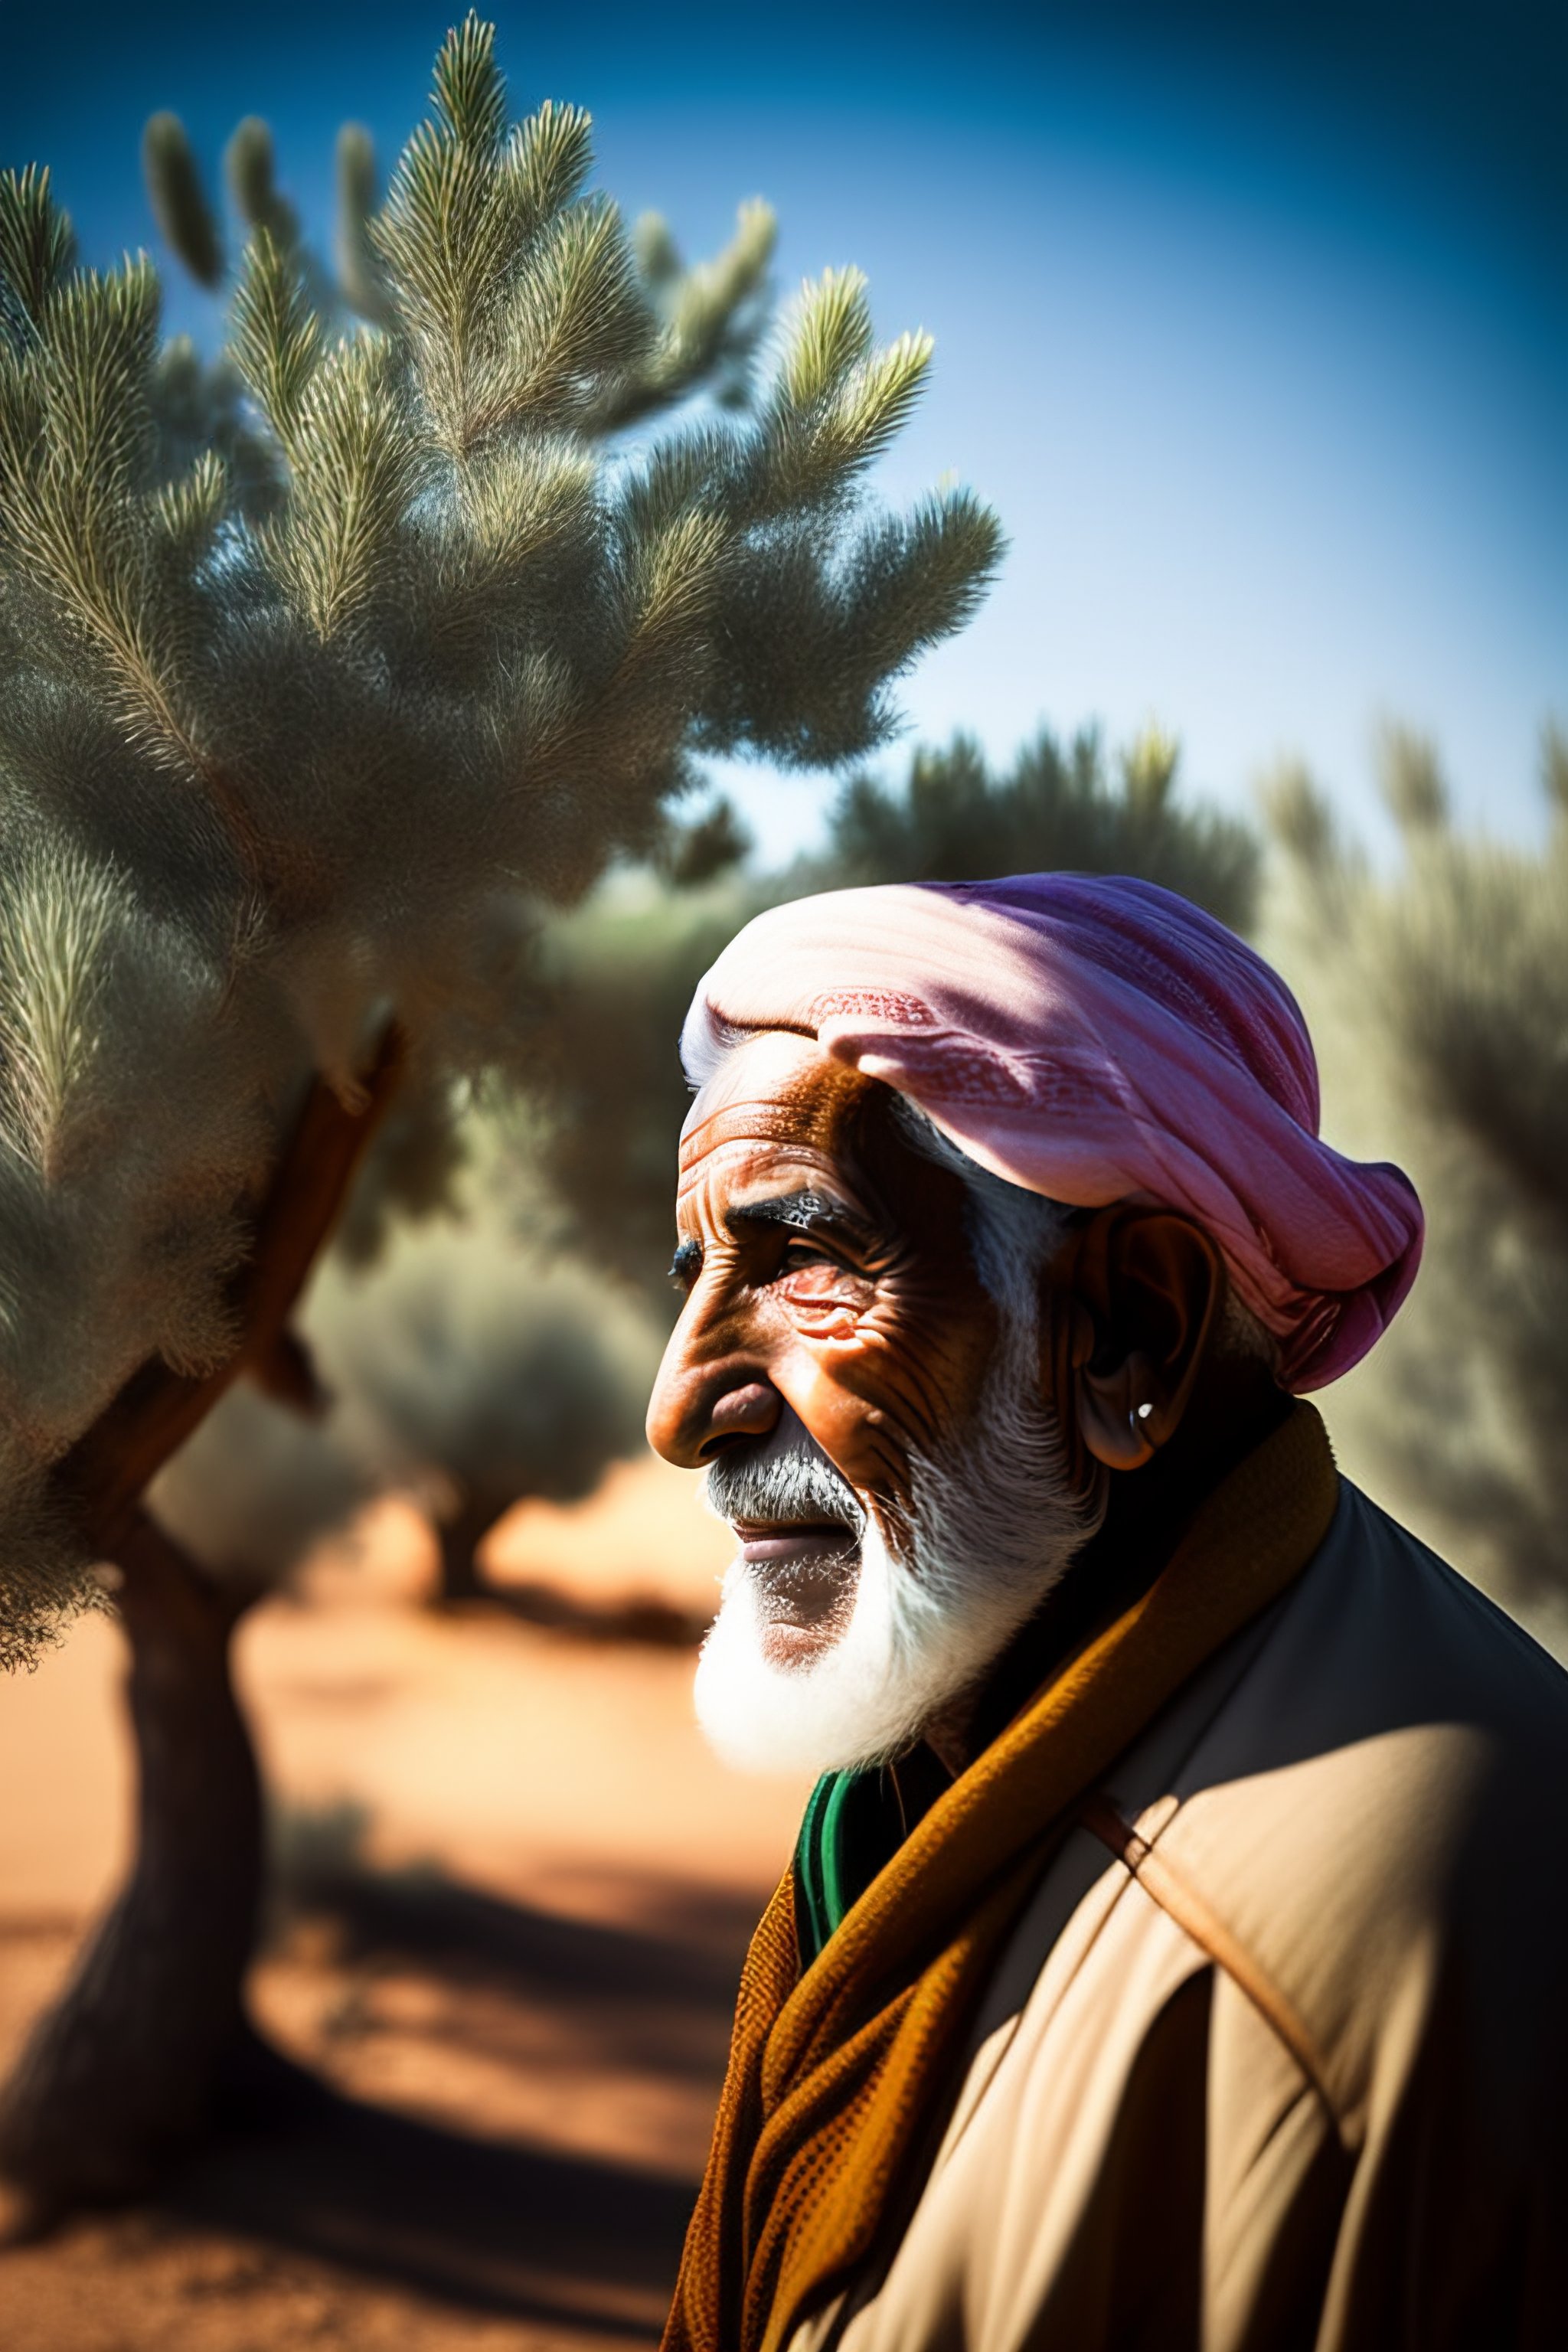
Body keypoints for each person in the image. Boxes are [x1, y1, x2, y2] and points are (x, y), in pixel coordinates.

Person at [645, 874, 1568, 2352]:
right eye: (696, 1279)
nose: (679, 1410)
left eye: (806, 1256)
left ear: (1130, 1329)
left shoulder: (1349, 1964)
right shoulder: (955, 1741)